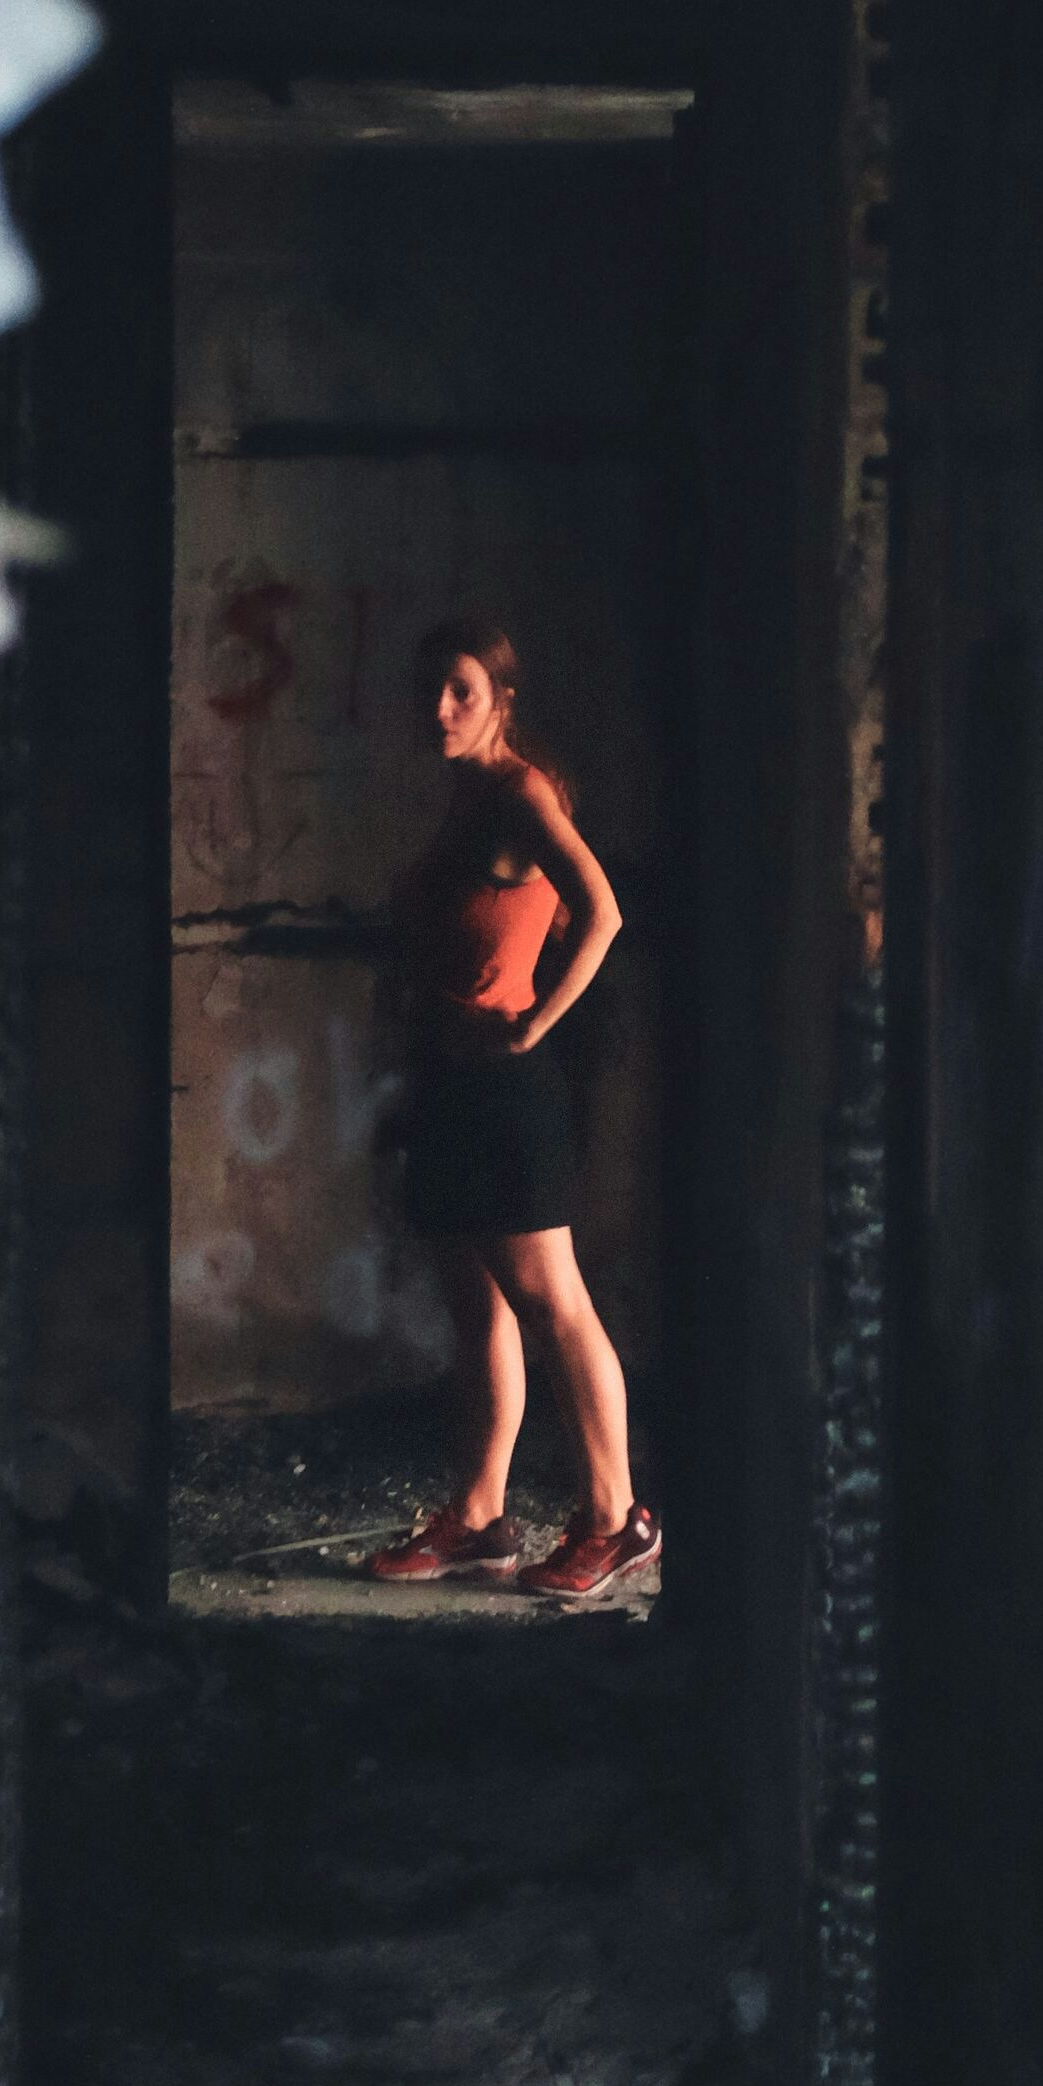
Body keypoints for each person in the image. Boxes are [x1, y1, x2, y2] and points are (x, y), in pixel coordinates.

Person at [369, 623, 661, 1603]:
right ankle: (483, 1518)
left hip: (503, 1091)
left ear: (500, 697)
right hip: (451, 1084)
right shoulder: (465, 797)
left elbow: (603, 910)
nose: (438, 710)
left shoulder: (520, 794)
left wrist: (536, 1022)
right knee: (476, 1303)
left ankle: (616, 1521)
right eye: (429, 691)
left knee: (552, 1302)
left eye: (458, 691)